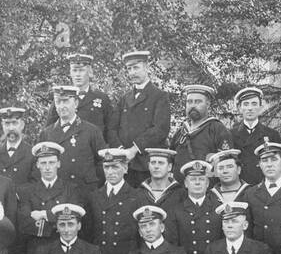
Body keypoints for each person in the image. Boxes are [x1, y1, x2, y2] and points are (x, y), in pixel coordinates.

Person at [114, 50, 172, 187]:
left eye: (136, 67)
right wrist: (122, 151)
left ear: (147, 68)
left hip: (147, 165)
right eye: (129, 69)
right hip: (125, 165)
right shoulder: (124, 98)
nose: (132, 72)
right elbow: (112, 128)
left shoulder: (160, 96)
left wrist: (134, 150)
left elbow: (160, 129)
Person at [16, 141, 80, 254]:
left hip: (62, 247)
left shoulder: (70, 189)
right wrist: (54, 221)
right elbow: (25, 222)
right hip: (34, 248)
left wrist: (44, 215)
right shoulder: (26, 190)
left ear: (59, 164)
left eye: (51, 162)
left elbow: (73, 219)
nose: (47, 167)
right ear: (37, 165)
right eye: (43, 163)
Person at [37, 83, 105, 189]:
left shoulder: (91, 131)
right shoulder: (46, 133)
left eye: (66, 101)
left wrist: (93, 186)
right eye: (58, 102)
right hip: (58, 193)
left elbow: (103, 162)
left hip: (85, 192)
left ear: (76, 103)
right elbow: (39, 165)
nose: (62, 106)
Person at [87, 147, 141, 254]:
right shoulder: (94, 196)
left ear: (125, 168)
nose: (110, 172)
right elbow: (88, 233)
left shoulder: (137, 196)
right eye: (106, 167)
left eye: (115, 167)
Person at [44, 52, 113, 140]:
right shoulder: (61, 98)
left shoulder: (102, 98)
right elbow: (49, 129)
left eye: (81, 70)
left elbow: (110, 130)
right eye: (74, 70)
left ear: (89, 72)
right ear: (70, 73)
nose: (77, 75)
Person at [169, 85, 231, 177]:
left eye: (198, 102)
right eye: (189, 102)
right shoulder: (180, 133)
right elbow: (171, 162)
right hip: (180, 188)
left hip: (206, 188)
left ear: (208, 104)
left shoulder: (217, 129)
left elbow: (226, 164)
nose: (193, 105)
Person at [229, 86, 280, 186]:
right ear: (240, 108)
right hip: (241, 187)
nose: (250, 108)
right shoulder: (231, 135)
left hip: (265, 186)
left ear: (261, 107)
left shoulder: (272, 134)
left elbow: (280, 165)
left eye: (254, 104)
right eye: (246, 104)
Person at [0, 106, 36, 188]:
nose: (11, 128)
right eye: (7, 124)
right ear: (2, 126)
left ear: (22, 125)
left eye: (14, 123)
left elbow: (35, 184)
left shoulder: (32, 154)